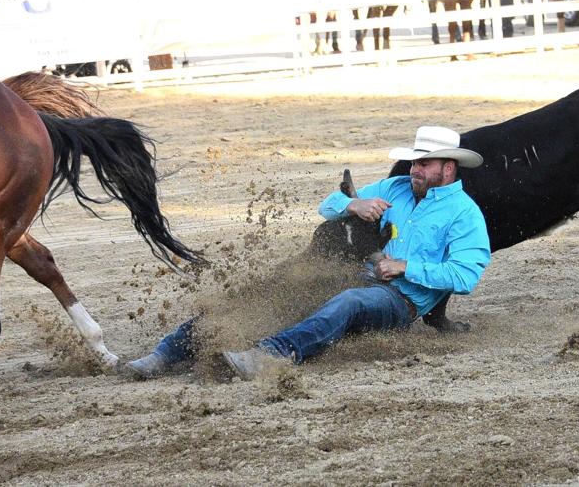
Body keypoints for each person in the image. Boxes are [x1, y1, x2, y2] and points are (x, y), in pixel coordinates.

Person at [126, 126, 491, 380]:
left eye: (423, 164)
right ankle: (168, 351)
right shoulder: (394, 187)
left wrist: (406, 266)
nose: (414, 169)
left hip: (402, 302)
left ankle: (269, 355)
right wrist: (355, 205)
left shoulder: (464, 214)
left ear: (448, 167)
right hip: (361, 277)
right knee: (280, 287)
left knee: (350, 302)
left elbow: (465, 277)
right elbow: (329, 205)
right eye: (414, 162)